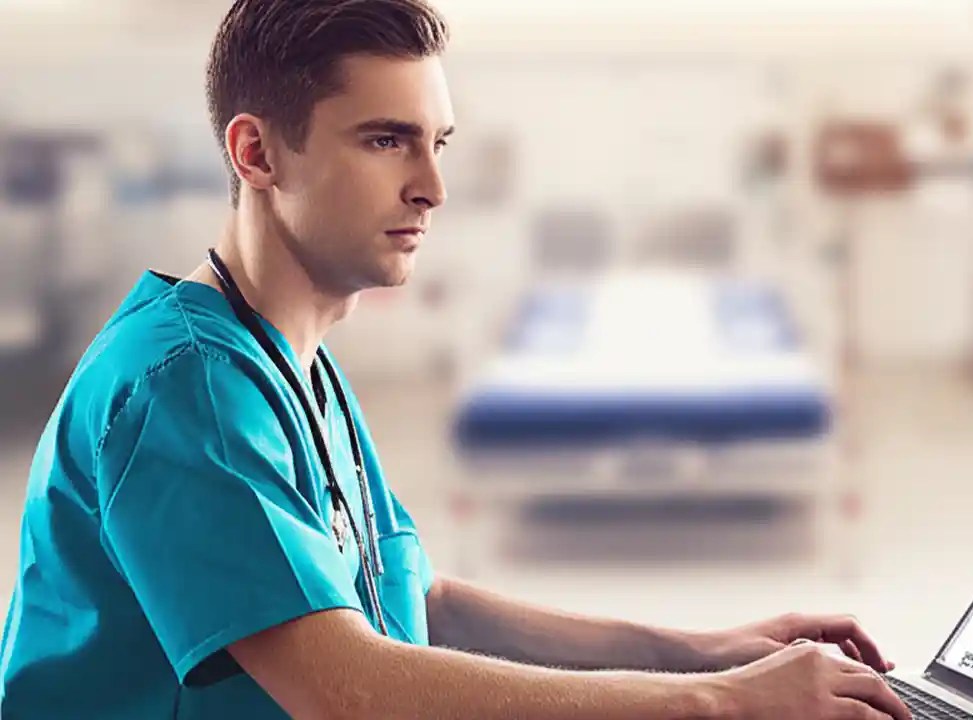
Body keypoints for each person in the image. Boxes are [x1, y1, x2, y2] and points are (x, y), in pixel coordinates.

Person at [0, 2, 911, 718]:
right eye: (385, 139)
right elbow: (352, 693)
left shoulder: (291, 361)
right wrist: (722, 705)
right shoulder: (184, 387)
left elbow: (418, 601)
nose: (433, 188)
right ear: (256, 152)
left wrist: (711, 650)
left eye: (436, 144)